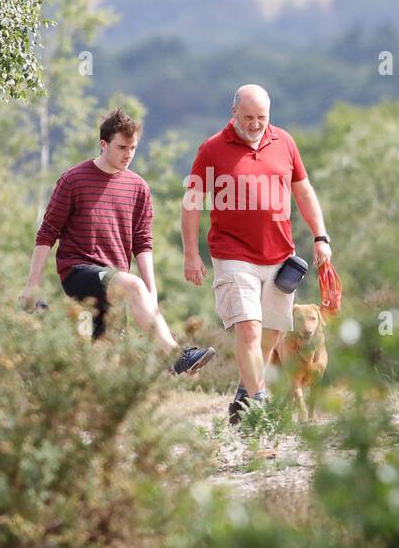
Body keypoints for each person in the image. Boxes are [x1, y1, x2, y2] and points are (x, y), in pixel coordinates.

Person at [22, 108, 215, 375]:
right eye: (122, 147)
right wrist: (32, 284)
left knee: (103, 360)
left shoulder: (138, 187)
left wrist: (151, 292)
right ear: (104, 144)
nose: (128, 154)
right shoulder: (73, 180)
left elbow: (142, 242)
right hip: (79, 272)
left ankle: (47, 387)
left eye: (133, 147)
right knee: (131, 285)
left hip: (116, 280)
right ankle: (175, 356)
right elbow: (47, 232)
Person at [181, 84, 332, 423]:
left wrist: (321, 236)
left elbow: (303, 191)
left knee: (269, 338)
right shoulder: (212, 149)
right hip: (233, 254)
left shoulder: (284, 142)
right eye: (248, 117)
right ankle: (260, 408)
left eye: (261, 117)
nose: (255, 124)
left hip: (280, 256)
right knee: (249, 330)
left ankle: (243, 396)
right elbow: (192, 204)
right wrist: (191, 253)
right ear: (233, 112)